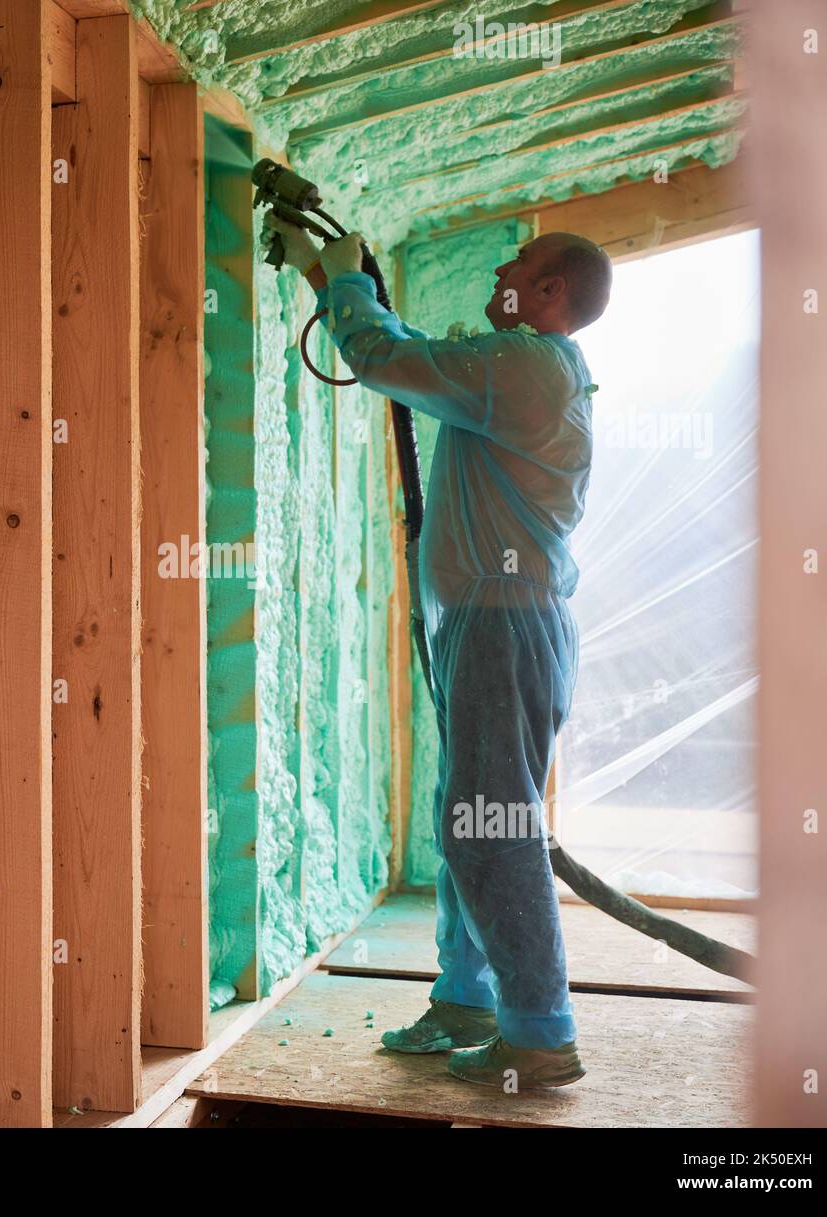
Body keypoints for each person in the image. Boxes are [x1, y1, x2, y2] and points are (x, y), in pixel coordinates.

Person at [265, 213, 612, 1089]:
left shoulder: (528, 367)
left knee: (489, 827)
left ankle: (539, 1032)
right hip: (483, 623)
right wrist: (324, 273)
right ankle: (467, 995)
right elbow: (412, 353)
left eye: (521, 260)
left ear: (552, 291)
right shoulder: (518, 369)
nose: (503, 264)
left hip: (501, 624)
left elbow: (388, 361)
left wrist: (345, 280)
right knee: (469, 815)